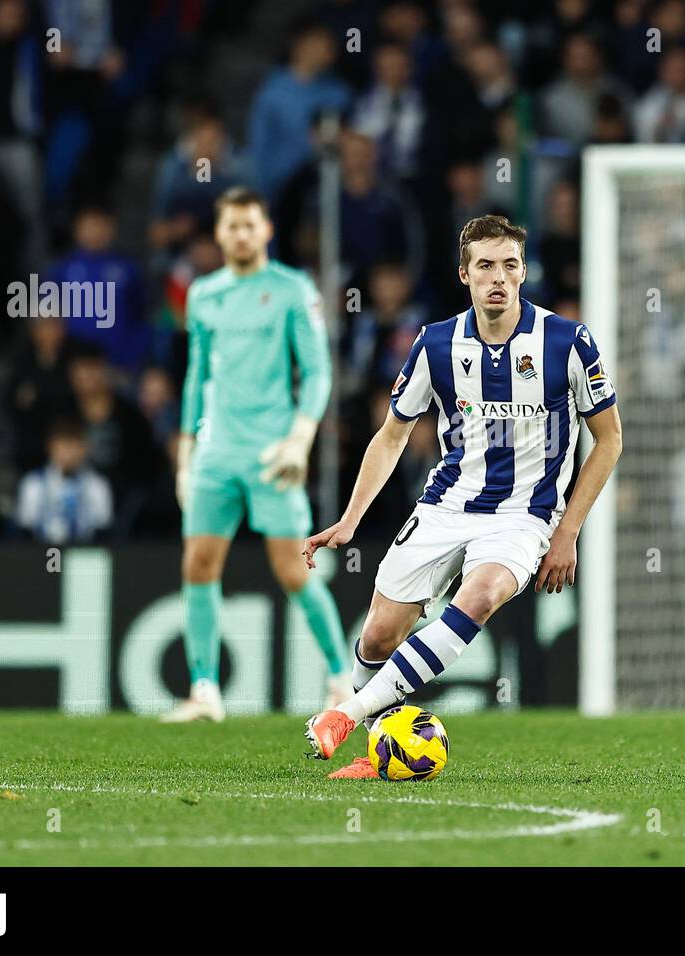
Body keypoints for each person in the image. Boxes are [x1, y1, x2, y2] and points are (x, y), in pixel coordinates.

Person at [302, 214, 623, 779]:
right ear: (464, 274)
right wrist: (351, 519)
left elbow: (610, 439)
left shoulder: (568, 342)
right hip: (445, 506)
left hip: (525, 517)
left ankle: (344, 715)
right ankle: (383, 754)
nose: (498, 278)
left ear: (524, 273)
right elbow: (393, 433)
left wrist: (567, 531)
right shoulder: (434, 344)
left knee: (480, 595)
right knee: (378, 633)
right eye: (485, 267)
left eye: (509, 266)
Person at [164, 187, 349, 723]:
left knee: (293, 570)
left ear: (266, 230)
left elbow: (317, 371)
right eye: (231, 226)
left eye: (250, 225)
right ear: (218, 234)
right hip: (216, 451)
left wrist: (300, 438)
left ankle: (341, 680)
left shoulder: (294, 289)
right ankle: (204, 690)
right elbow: (198, 374)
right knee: (198, 565)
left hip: (272, 452)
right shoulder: (204, 294)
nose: (241, 234)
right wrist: (186, 451)